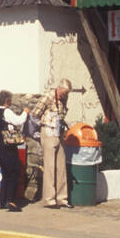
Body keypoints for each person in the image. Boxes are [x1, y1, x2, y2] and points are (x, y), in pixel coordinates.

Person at [31, 78, 71, 207]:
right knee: (49, 166)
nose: (63, 96)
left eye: (65, 94)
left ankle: (62, 198)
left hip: (58, 133)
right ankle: (49, 199)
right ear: (58, 88)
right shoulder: (48, 97)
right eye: (62, 93)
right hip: (48, 132)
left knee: (61, 166)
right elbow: (35, 113)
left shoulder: (64, 99)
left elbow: (63, 113)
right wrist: (45, 122)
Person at [0, 90, 29, 212]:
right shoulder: (6, 111)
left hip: (1, 146)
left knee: (5, 175)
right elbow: (18, 121)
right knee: (13, 173)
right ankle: (11, 201)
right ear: (6, 101)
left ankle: (2, 201)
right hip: (9, 147)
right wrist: (25, 112)